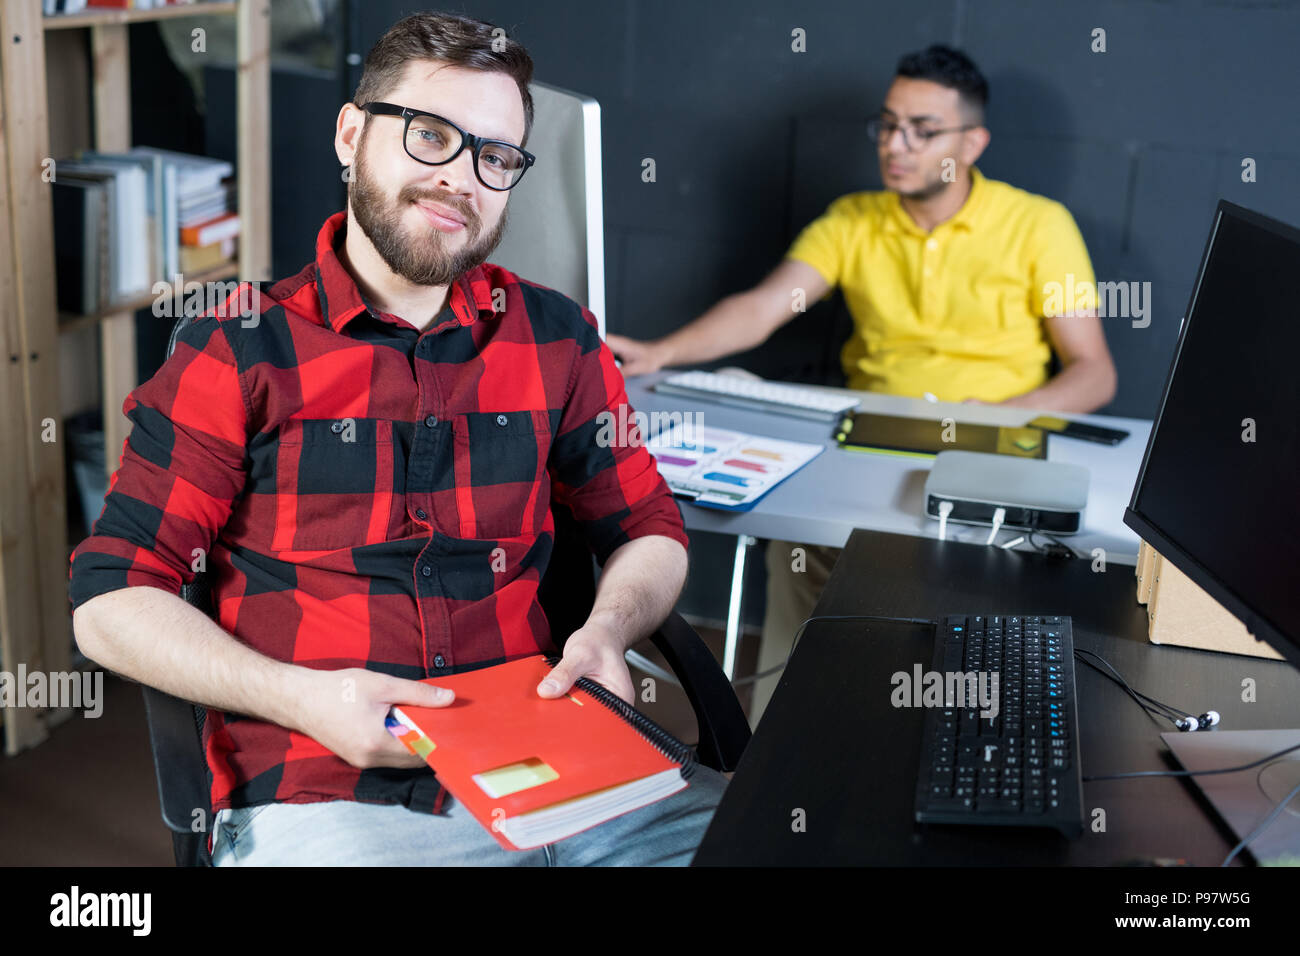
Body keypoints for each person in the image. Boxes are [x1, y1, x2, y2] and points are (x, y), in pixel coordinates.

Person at [68, 11, 725, 866]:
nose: (460, 179)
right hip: (334, 786)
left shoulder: (557, 338)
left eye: (494, 156)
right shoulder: (237, 345)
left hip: (560, 765)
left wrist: (609, 629)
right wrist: (301, 698)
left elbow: (650, 527)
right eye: (430, 136)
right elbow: (111, 599)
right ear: (352, 134)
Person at [606, 45, 1117, 725]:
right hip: (869, 440)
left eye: (922, 130)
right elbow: (763, 309)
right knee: (796, 545)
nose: (895, 146)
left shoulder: (1038, 225)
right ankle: (775, 745)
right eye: (888, 125)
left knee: (958, 591)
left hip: (990, 447)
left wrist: (1000, 415)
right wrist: (660, 352)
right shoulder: (854, 219)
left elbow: (1093, 372)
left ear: (972, 143)